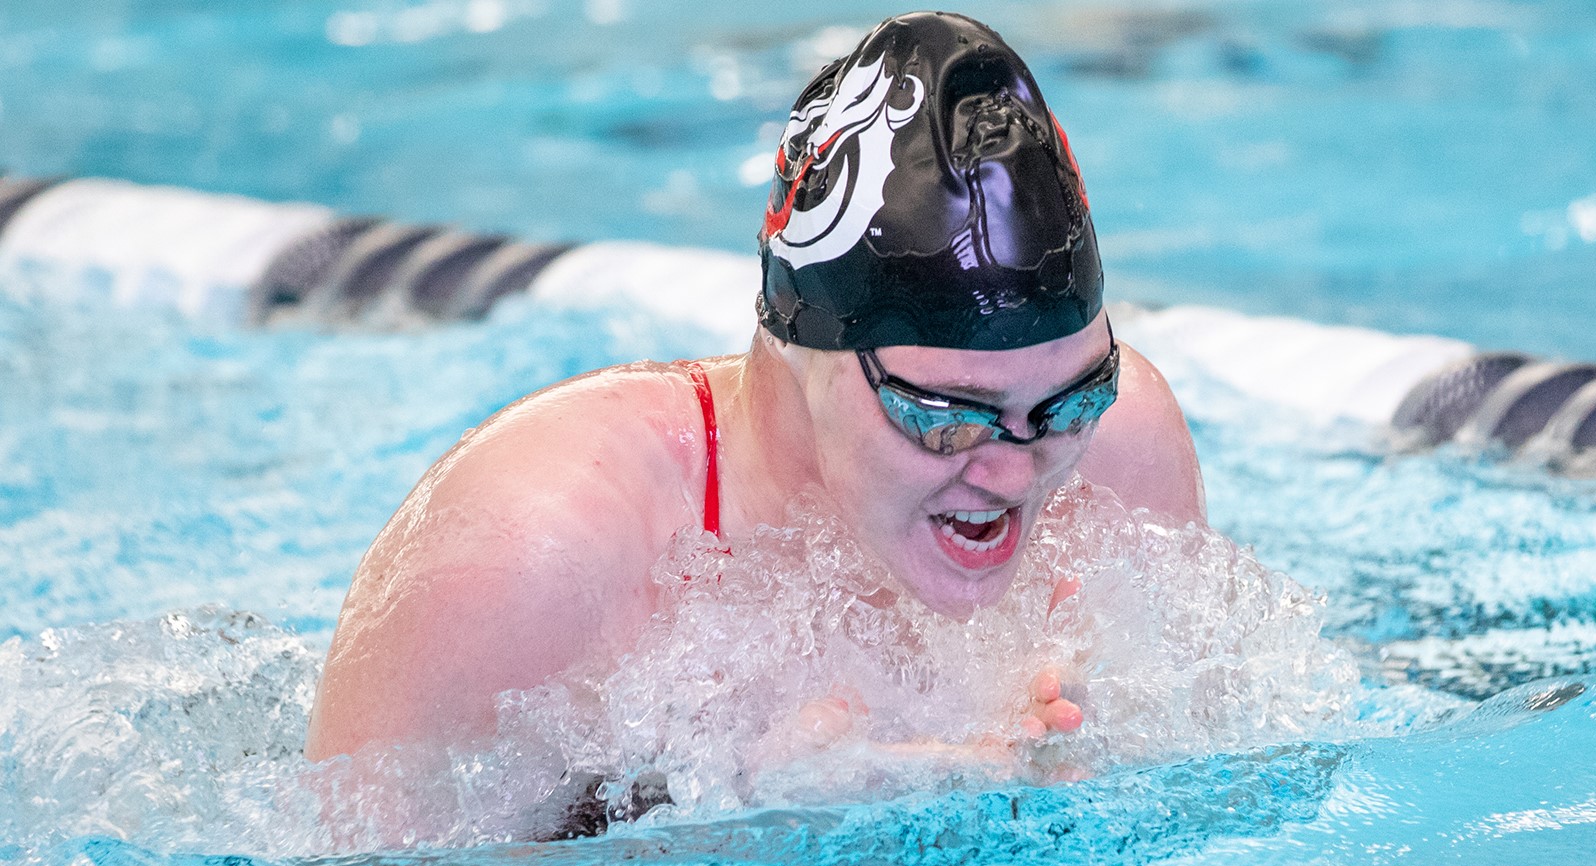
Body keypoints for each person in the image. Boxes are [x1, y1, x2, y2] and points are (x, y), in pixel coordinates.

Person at [303, 12, 1205, 808]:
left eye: (1069, 400)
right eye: (947, 416)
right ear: (800, 347)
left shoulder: (1124, 457)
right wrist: (735, 820)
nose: (1015, 472)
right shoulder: (535, 550)